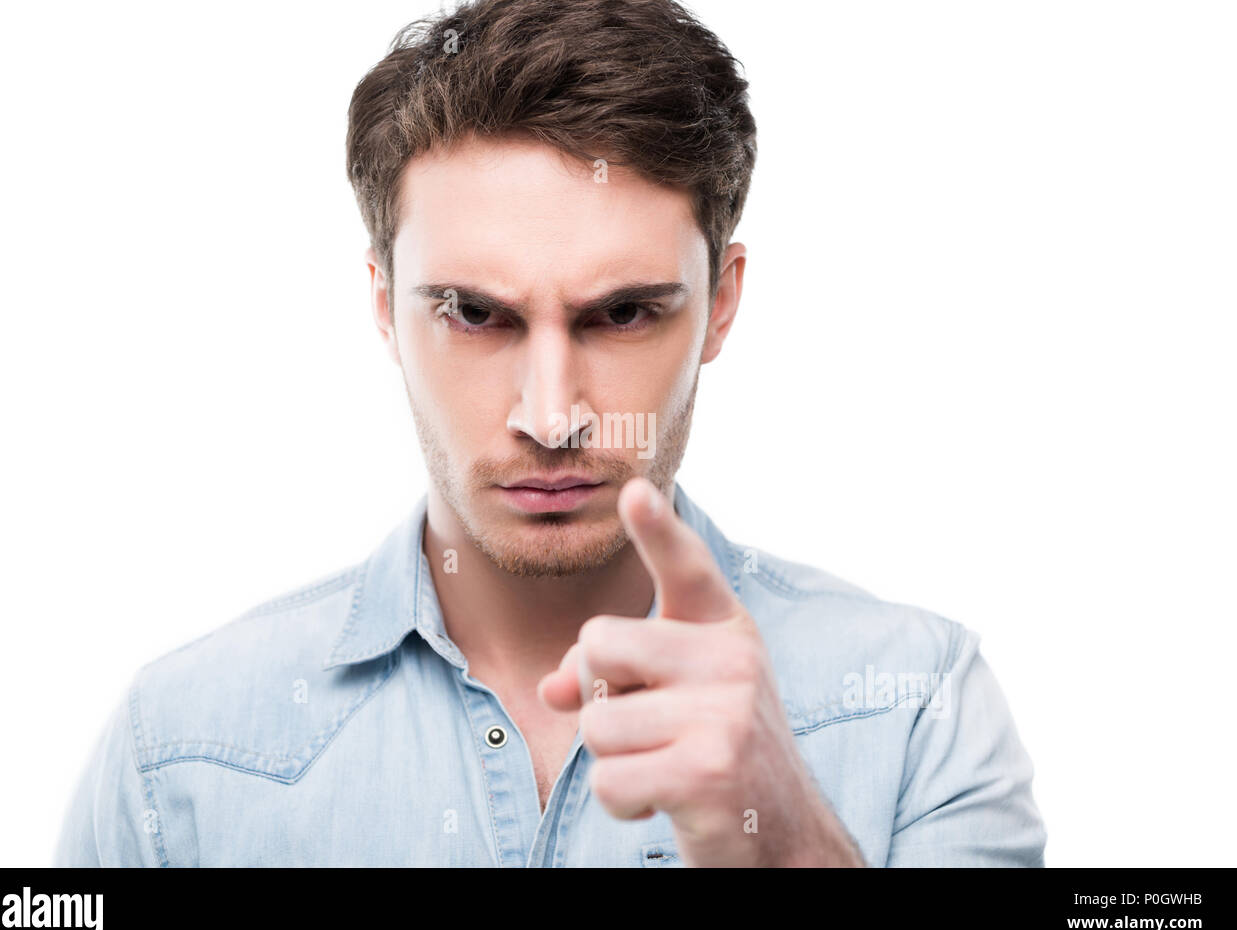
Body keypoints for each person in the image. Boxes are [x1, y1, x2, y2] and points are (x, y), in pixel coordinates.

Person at [55, 0, 1046, 867]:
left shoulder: (919, 712)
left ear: (723, 305)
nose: (550, 415)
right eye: (476, 315)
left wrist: (782, 845)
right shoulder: (176, 751)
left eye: (620, 314)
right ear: (382, 306)